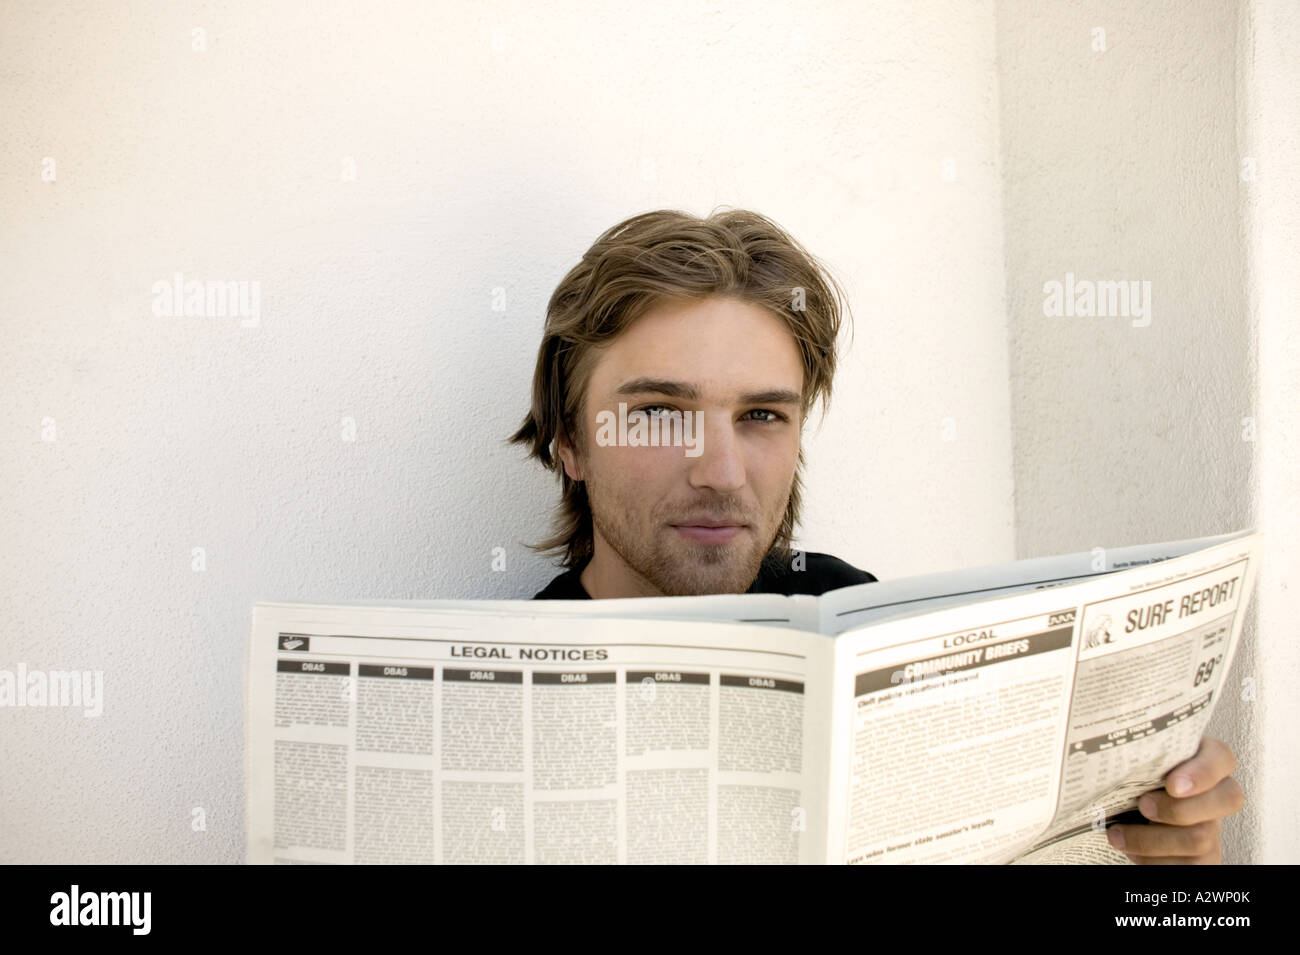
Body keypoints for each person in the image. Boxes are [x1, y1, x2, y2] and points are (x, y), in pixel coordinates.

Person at [509, 207, 1244, 863]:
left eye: (762, 415)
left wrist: (1176, 884)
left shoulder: (855, 613)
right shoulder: (507, 689)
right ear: (570, 438)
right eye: (664, 412)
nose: (722, 471)